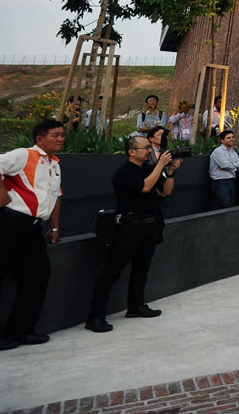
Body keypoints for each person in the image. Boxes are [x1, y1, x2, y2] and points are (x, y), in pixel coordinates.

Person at [85, 134, 181, 332]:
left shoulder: (148, 169)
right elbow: (144, 187)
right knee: (112, 271)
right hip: (129, 227)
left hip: (149, 226)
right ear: (131, 152)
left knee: (141, 268)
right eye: (145, 148)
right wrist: (160, 165)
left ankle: (136, 306)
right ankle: (95, 317)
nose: (149, 151)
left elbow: (165, 191)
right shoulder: (124, 173)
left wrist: (170, 171)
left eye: (149, 148)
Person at [0, 118, 64, 350]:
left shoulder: (55, 164)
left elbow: (56, 197)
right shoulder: (24, 154)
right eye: (55, 135)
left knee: (37, 276)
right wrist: (2, 193)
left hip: (32, 227)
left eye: (62, 135)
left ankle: (21, 330)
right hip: (6, 222)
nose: (61, 139)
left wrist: (54, 228)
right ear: (40, 139)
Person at [208, 130, 239, 209]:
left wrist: (230, 165)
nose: (232, 139)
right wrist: (234, 165)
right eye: (228, 138)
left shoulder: (233, 152)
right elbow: (225, 165)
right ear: (222, 140)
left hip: (231, 181)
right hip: (220, 182)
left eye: (232, 137)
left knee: (230, 207)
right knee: (224, 207)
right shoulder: (218, 151)